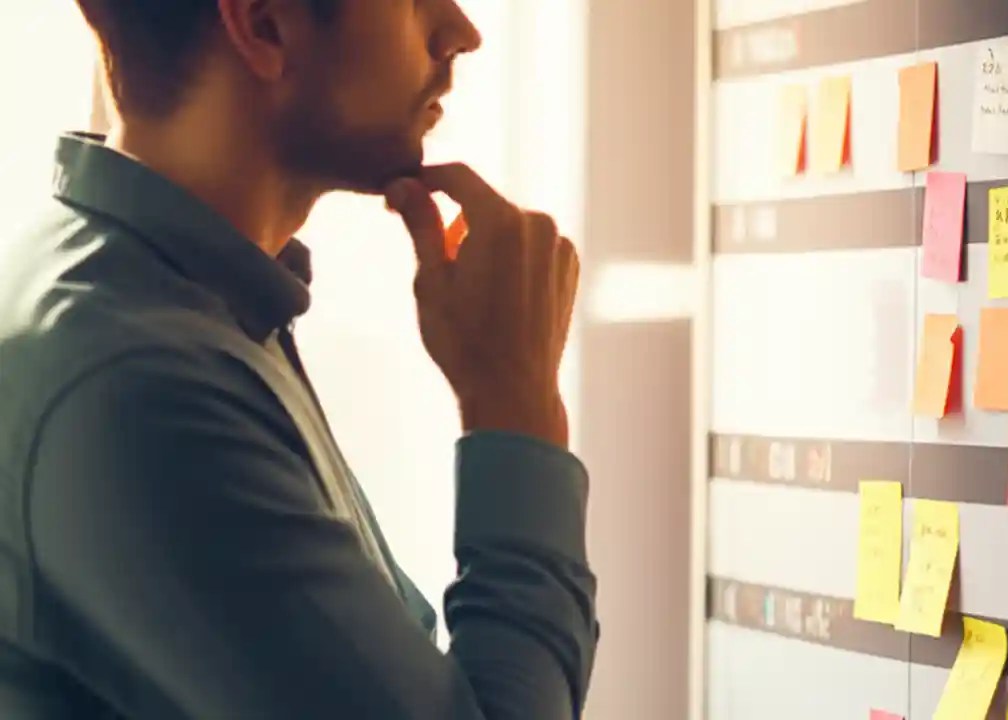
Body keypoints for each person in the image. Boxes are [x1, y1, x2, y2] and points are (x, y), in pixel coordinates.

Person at [0, 0, 599, 718]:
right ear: (263, 26)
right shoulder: (143, 385)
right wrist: (516, 401)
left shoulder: (178, 303)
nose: (460, 32)